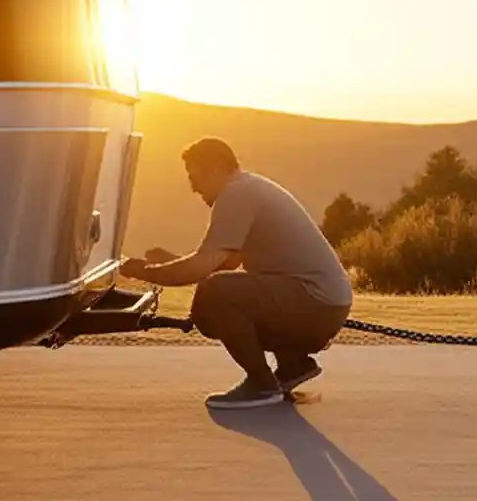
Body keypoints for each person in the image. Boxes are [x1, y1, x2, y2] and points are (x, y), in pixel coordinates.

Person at [120, 137, 354, 409]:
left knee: (214, 297)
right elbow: (227, 262)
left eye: (195, 177)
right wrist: (168, 263)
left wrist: (145, 272)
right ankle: (292, 364)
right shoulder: (249, 189)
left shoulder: (236, 194)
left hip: (315, 303)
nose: (194, 188)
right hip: (325, 304)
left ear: (217, 168)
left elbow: (205, 268)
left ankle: (261, 384)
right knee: (227, 289)